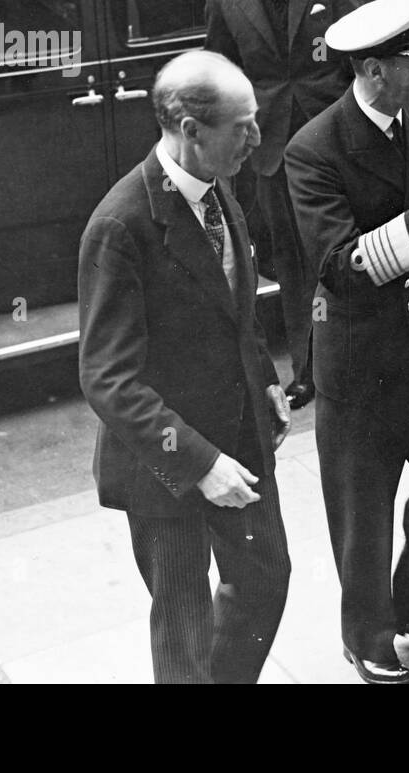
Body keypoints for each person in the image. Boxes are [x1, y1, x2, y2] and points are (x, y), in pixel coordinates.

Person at [284, 0, 409, 686]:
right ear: (373, 71)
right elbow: (339, 266)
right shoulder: (313, 152)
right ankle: (369, 636)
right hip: (363, 359)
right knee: (362, 512)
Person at [78, 51, 292, 684]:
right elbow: (108, 378)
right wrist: (199, 463)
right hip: (164, 467)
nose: (257, 139)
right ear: (189, 129)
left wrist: (267, 380)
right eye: (242, 126)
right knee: (183, 621)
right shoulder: (121, 225)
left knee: (265, 578)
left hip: (240, 434)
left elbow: (235, 311)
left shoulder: (222, 187)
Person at [205, 0, 359, 411]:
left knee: (342, 250)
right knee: (294, 264)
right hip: (271, 150)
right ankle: (309, 369)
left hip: (332, 139)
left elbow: (358, 46)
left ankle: (357, 358)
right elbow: (221, 77)